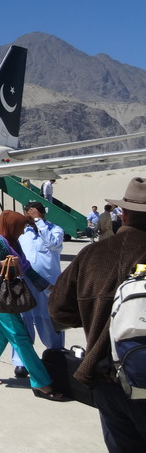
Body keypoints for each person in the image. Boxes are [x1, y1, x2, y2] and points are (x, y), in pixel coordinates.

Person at [49, 177, 146, 452]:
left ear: (123, 213)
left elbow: (58, 310)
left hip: (106, 376)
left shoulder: (92, 254)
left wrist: (97, 317)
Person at [0, 210, 63, 400]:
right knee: (21, 338)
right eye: (20, 227)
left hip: (8, 295)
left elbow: (27, 267)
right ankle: (42, 383)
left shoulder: (14, 242)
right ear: (11, 226)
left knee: (1, 337)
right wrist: (3, 264)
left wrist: (47, 286)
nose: (22, 231)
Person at [11, 201, 64, 378]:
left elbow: (53, 245)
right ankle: (21, 361)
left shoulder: (54, 230)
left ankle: (55, 354)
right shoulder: (21, 233)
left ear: (42, 213)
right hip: (25, 282)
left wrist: (39, 223)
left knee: (49, 318)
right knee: (23, 320)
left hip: (48, 284)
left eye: (35, 213)